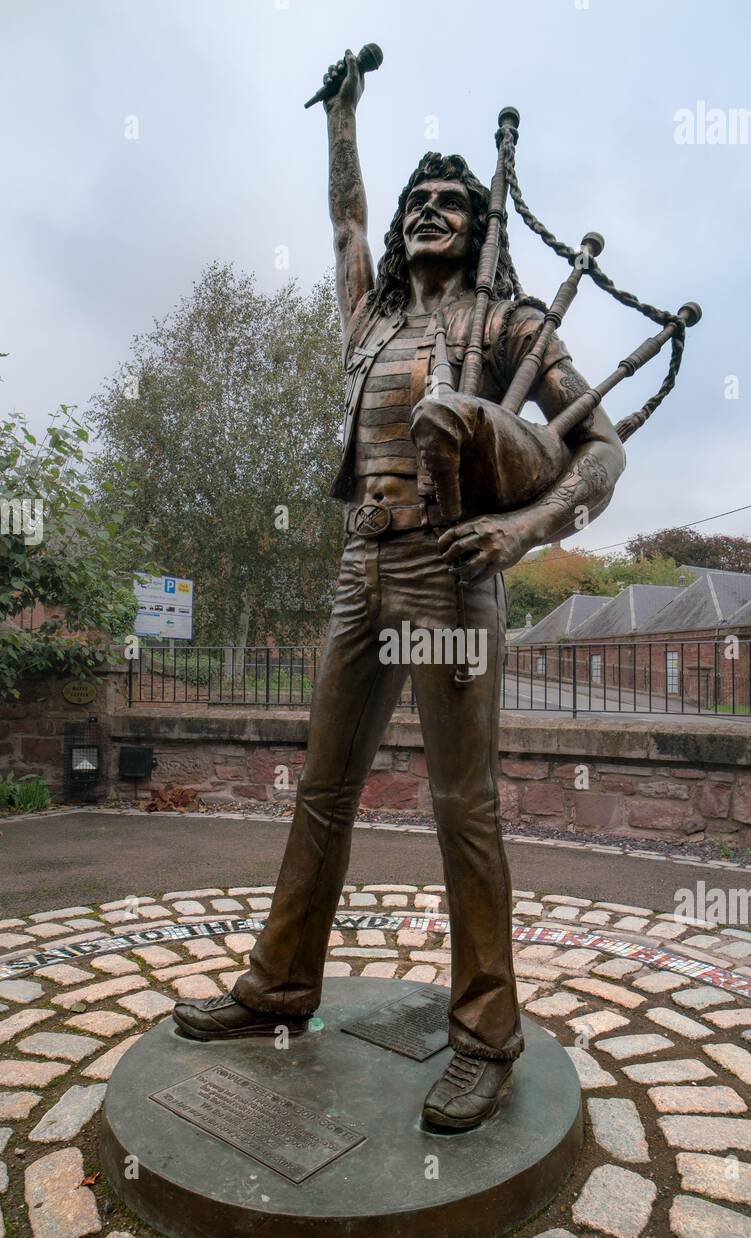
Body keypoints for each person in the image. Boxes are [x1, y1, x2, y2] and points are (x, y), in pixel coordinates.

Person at [173, 51, 625, 1131]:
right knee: (321, 790)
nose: (428, 211)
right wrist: (342, 119)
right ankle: (281, 984)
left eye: (450, 201)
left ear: (477, 225)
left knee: (462, 805)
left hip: (449, 572)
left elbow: (600, 451)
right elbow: (343, 225)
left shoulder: (511, 326)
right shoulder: (370, 320)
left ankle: (486, 1034)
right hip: (360, 567)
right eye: (417, 199)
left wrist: (521, 530)